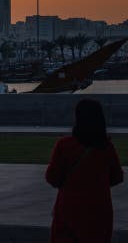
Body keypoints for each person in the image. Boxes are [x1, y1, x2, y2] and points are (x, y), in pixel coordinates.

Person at [45, 99, 123, 242]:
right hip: (99, 211)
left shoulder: (64, 145)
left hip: (69, 210)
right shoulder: (106, 148)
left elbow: (52, 177)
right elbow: (117, 177)